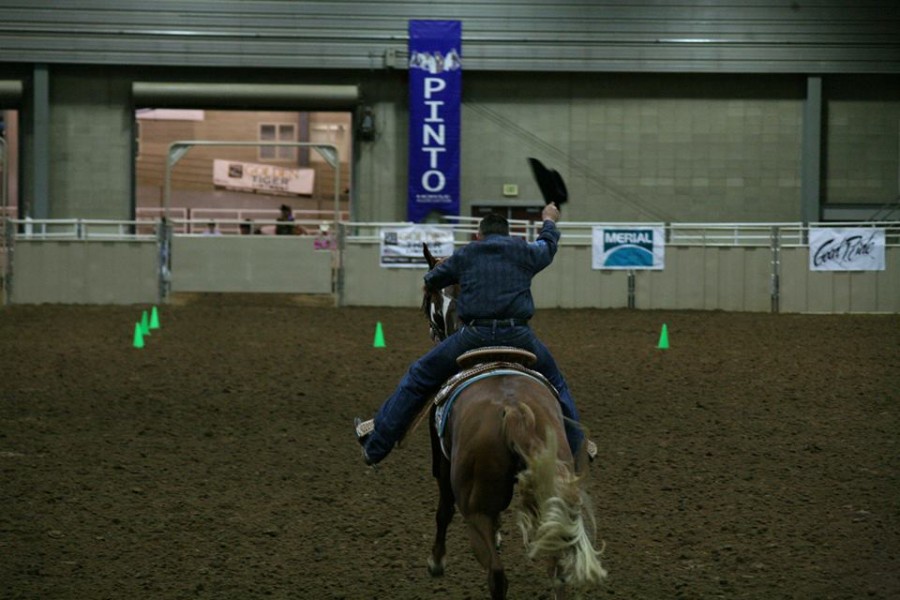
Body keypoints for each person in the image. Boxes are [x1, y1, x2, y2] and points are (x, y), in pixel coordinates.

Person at [354, 204, 595, 466]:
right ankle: (577, 449)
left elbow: (433, 279)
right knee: (557, 384)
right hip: (519, 336)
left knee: (419, 376)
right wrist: (549, 220)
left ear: (479, 235)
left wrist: (436, 276)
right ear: (507, 233)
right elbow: (547, 245)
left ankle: (377, 446)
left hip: (473, 336)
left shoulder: (466, 254)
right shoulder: (524, 251)